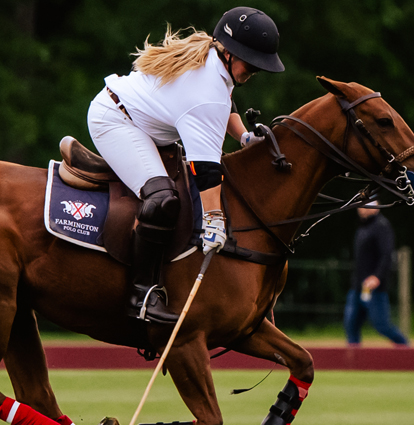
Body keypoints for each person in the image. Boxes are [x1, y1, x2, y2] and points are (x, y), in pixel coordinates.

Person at [87, 7, 284, 324]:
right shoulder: (205, 92)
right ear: (229, 53)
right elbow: (206, 170)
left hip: (144, 123)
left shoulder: (217, 62)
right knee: (162, 200)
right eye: (251, 62)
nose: (256, 70)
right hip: (116, 120)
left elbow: (227, 101)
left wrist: (244, 137)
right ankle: (141, 295)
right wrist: (215, 220)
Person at [343, 203, 409, 345]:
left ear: (376, 207)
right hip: (357, 286)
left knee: (382, 326)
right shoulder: (363, 226)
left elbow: (387, 255)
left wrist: (377, 277)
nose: (362, 209)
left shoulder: (382, 226)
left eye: (366, 206)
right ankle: (354, 360)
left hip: (374, 288)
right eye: (360, 206)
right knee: (351, 323)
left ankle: (406, 349)